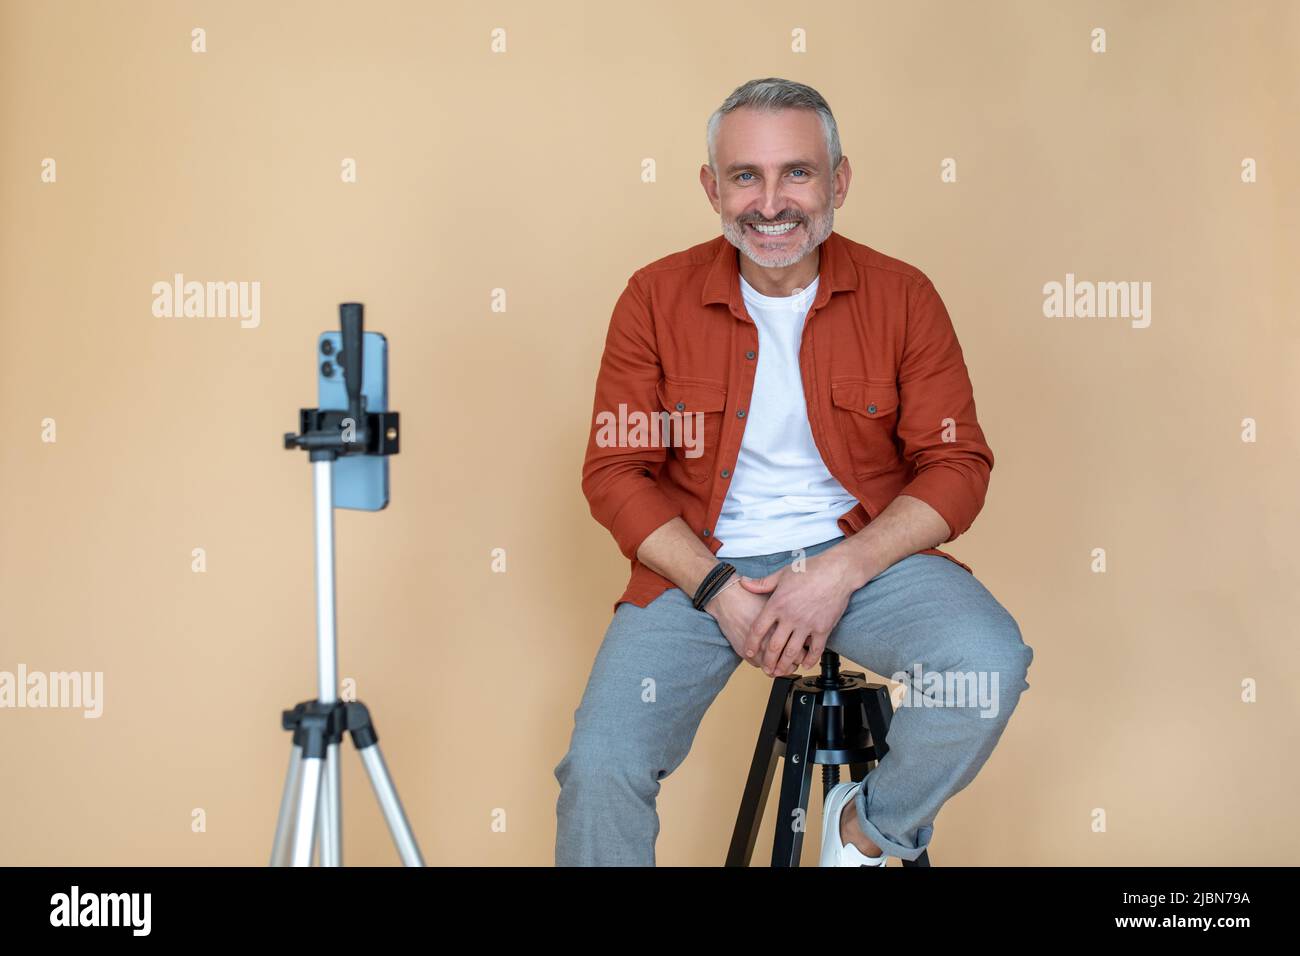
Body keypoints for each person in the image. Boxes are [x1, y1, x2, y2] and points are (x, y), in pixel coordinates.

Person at [554, 77, 1033, 866]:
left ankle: (867, 833)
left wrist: (839, 571)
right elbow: (615, 472)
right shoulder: (653, 299)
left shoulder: (903, 296)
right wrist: (716, 591)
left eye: (797, 173)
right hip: (697, 568)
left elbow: (956, 464)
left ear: (838, 180)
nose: (770, 202)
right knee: (601, 765)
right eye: (746, 175)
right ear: (713, 187)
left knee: (987, 663)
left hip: (863, 557)